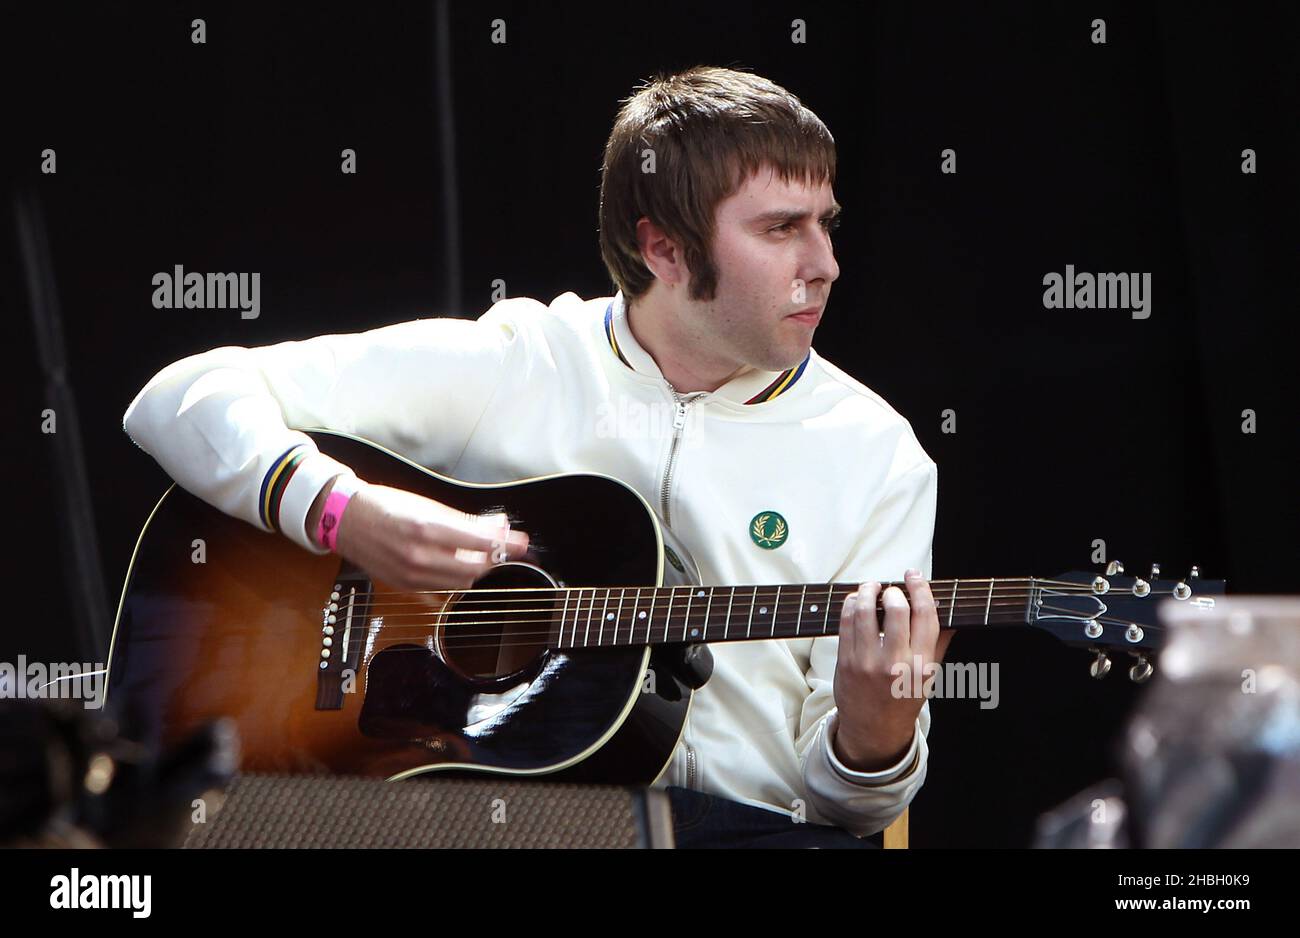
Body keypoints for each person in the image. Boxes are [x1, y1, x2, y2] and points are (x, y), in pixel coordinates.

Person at [123, 65, 952, 848]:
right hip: (484, 822)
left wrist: (875, 733)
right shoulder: (523, 359)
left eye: (826, 225)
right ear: (664, 250)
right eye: (782, 230)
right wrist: (341, 510)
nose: (826, 266)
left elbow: (846, 807)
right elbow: (177, 396)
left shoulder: (878, 456)